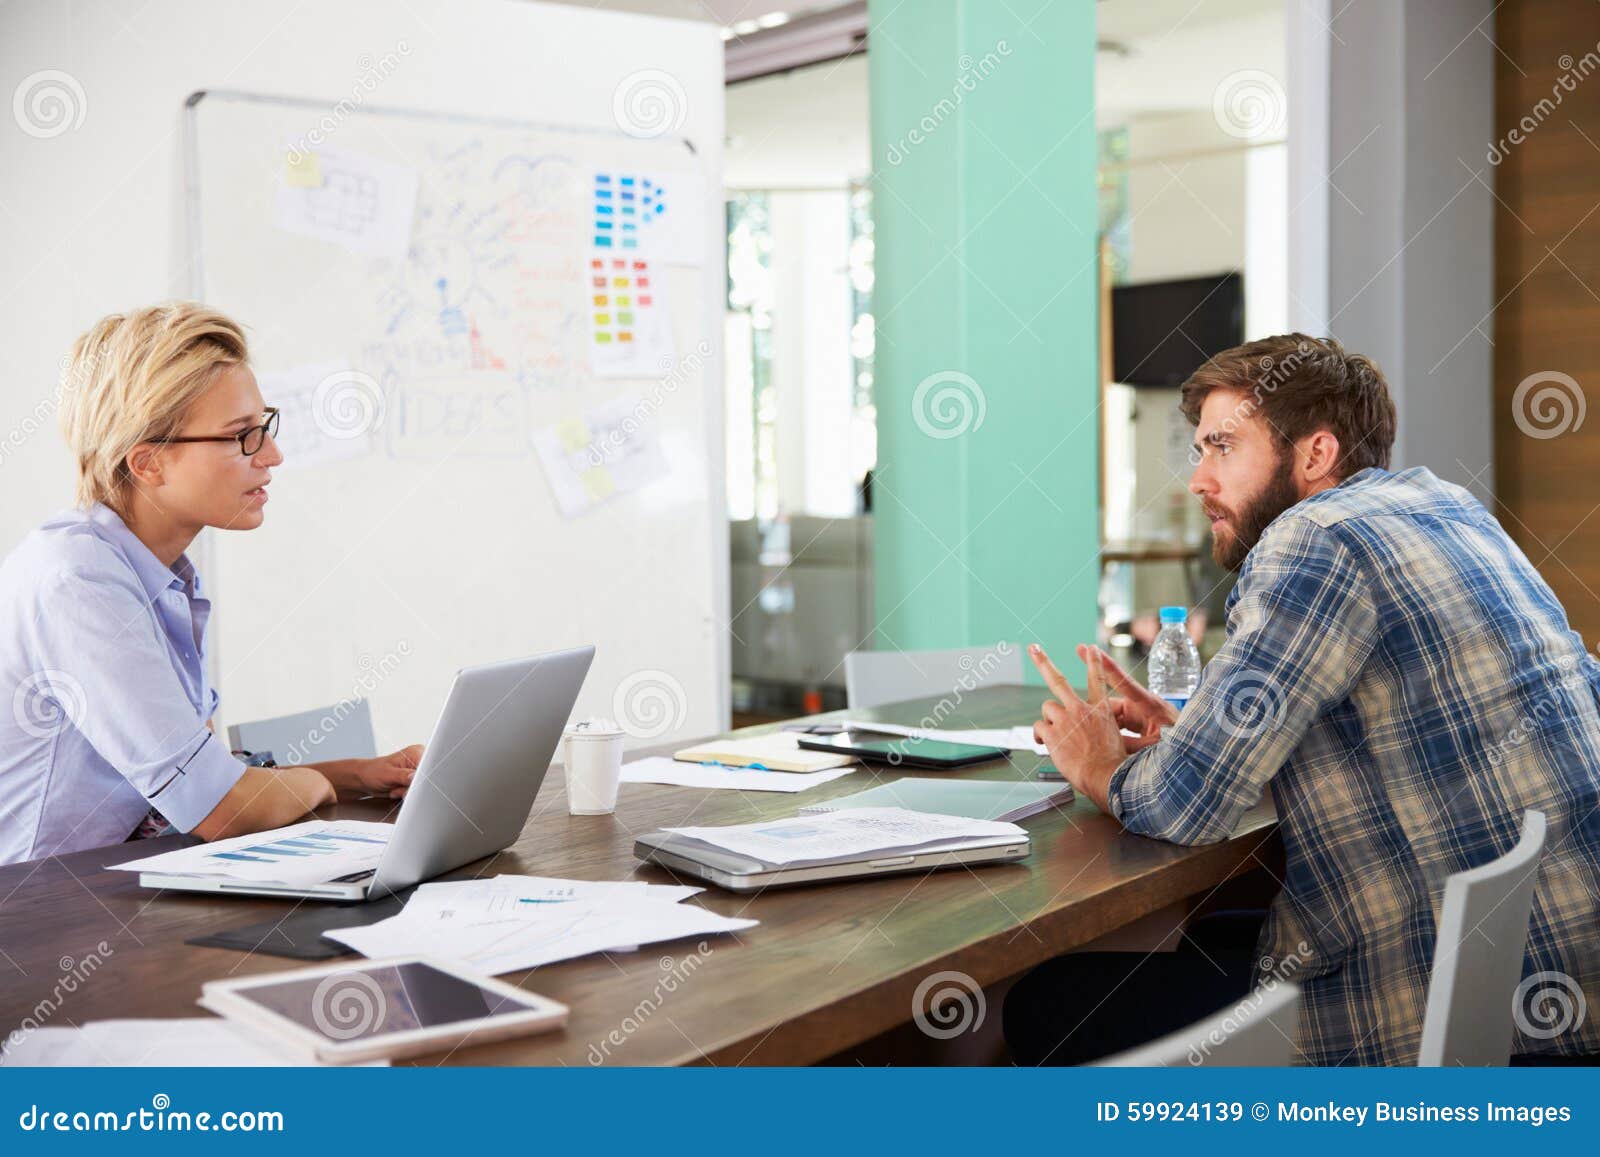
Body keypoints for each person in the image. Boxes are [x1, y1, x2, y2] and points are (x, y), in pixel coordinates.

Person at [1005, 334, 1600, 1066]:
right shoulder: (1448, 507)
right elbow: (1361, 713)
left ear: (1316, 454)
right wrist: (1194, 731)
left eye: (1222, 446)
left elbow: (1187, 807)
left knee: (1042, 1000)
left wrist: (1098, 765)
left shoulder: (1314, 538)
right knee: (1206, 933)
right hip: (1552, 990)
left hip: (1416, 1004)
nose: (1198, 479)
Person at [0, 303, 421, 868]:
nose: (272, 456)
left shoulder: (161, 573)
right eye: (241, 436)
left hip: (122, 889)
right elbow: (220, 809)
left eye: (263, 426)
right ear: (148, 463)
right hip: (41, 918)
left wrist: (354, 775)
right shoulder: (77, 580)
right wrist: (322, 786)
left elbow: (203, 776)